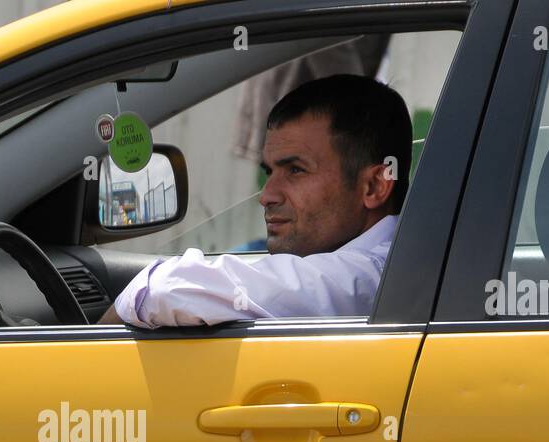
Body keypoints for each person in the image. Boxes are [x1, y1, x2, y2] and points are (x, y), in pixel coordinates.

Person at [99, 74, 412, 328]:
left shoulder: (373, 275)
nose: (266, 196)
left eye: (296, 170)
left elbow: (165, 291)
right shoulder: (396, 261)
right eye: (269, 171)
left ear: (373, 186)